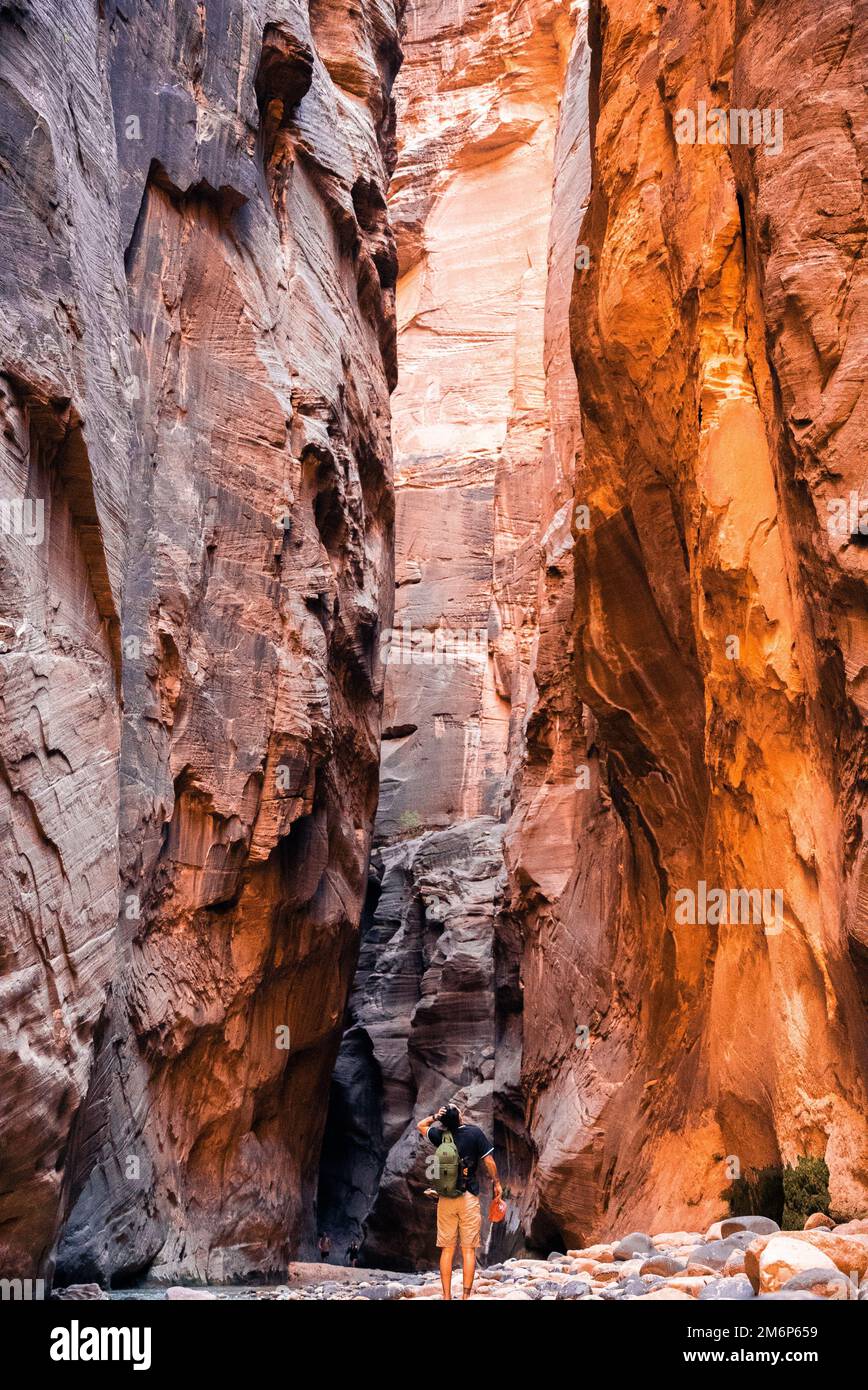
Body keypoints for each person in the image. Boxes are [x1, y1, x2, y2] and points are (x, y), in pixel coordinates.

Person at [417, 1103, 502, 1300]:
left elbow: (421, 1125)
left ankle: (446, 1297)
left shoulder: (441, 1136)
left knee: (447, 1249)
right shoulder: (474, 1134)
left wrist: (435, 1117)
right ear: (461, 1116)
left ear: (444, 1121)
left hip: (446, 1198)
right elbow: (489, 1162)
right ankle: (465, 1297)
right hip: (468, 1197)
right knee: (468, 1250)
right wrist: (496, 1183)